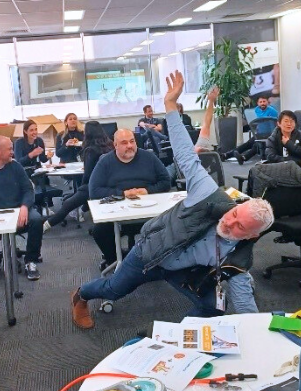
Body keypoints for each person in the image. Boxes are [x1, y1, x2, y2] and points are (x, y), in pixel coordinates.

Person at [70, 71, 274, 329]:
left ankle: (182, 339)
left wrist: (258, 333)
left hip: (182, 269)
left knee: (214, 307)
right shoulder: (209, 195)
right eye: (234, 215)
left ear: (251, 237)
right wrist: (170, 107)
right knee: (113, 289)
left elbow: (245, 303)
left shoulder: (239, 256)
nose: (229, 224)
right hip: (152, 252)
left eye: (240, 228)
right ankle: (81, 295)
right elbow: (186, 156)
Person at [88, 128, 171, 268]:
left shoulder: (149, 157)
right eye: (124, 143)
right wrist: (123, 194)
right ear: (115, 145)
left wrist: (147, 190)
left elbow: (166, 182)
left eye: (132, 141)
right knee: (99, 231)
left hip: (149, 210)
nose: (130, 146)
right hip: (119, 212)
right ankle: (118, 261)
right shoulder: (105, 162)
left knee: (172, 222)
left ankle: (158, 259)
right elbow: (94, 191)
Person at [0, 135, 44, 282]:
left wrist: (24, 207)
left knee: (37, 219)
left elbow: (28, 190)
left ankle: (31, 260)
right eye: (9, 149)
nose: (13, 152)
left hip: (19, 210)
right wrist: (6, 216)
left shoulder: (15, 167)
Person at [44, 121, 113, 232]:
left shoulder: (90, 150)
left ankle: (45, 226)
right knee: (79, 199)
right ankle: (85, 208)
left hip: (93, 185)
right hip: (110, 184)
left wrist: (81, 188)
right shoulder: (110, 145)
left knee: (68, 204)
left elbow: (88, 175)